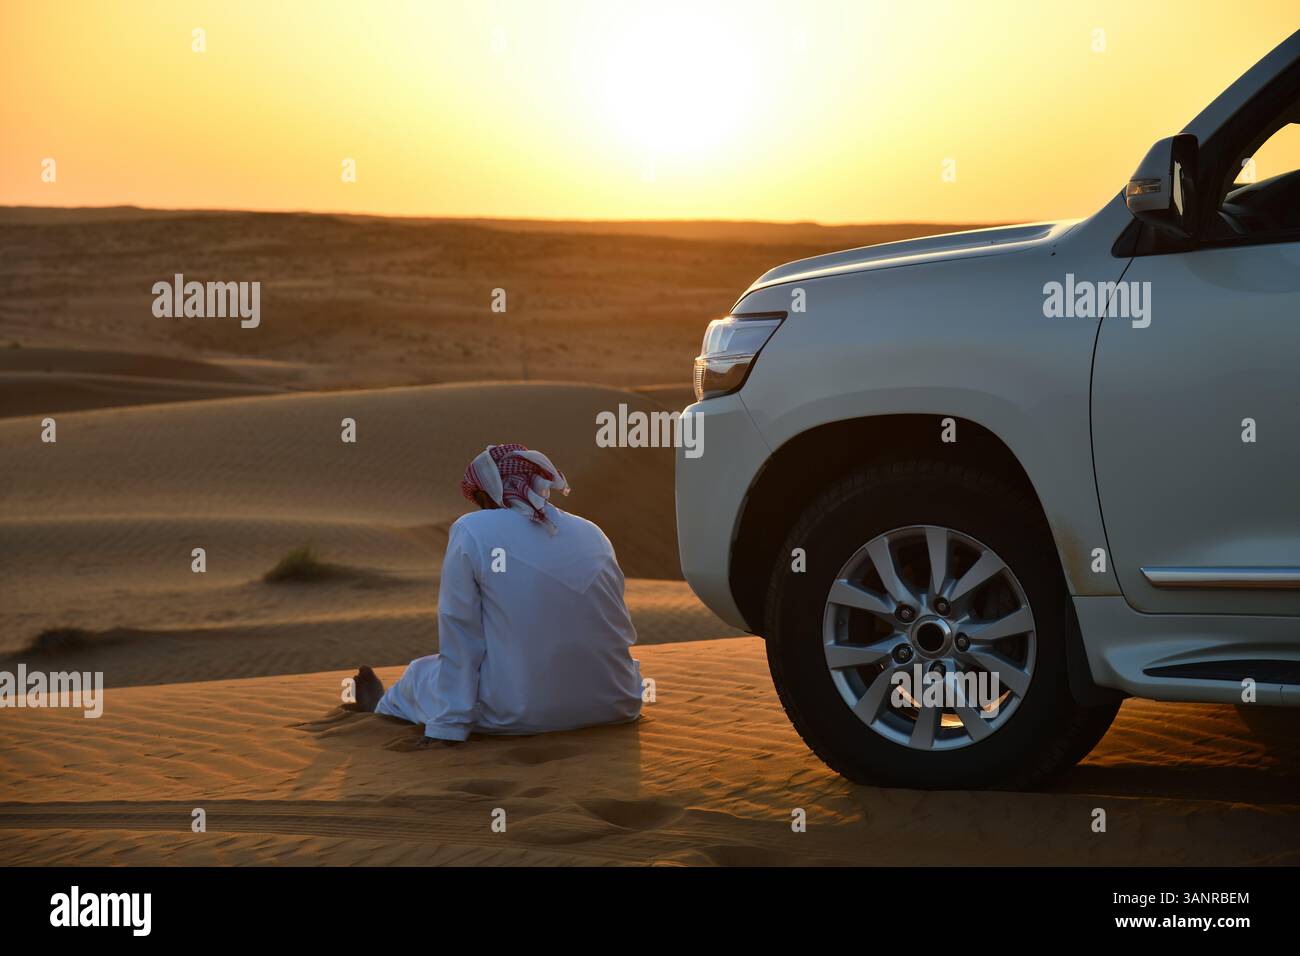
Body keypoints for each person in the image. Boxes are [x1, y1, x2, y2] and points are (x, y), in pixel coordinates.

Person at [350, 443, 644, 745]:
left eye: (479, 498)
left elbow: (459, 630)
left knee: (420, 676)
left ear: (489, 491)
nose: (479, 507)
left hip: (519, 713)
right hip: (617, 703)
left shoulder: (473, 529)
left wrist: (449, 727)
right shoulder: (592, 532)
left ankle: (383, 707)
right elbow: (616, 624)